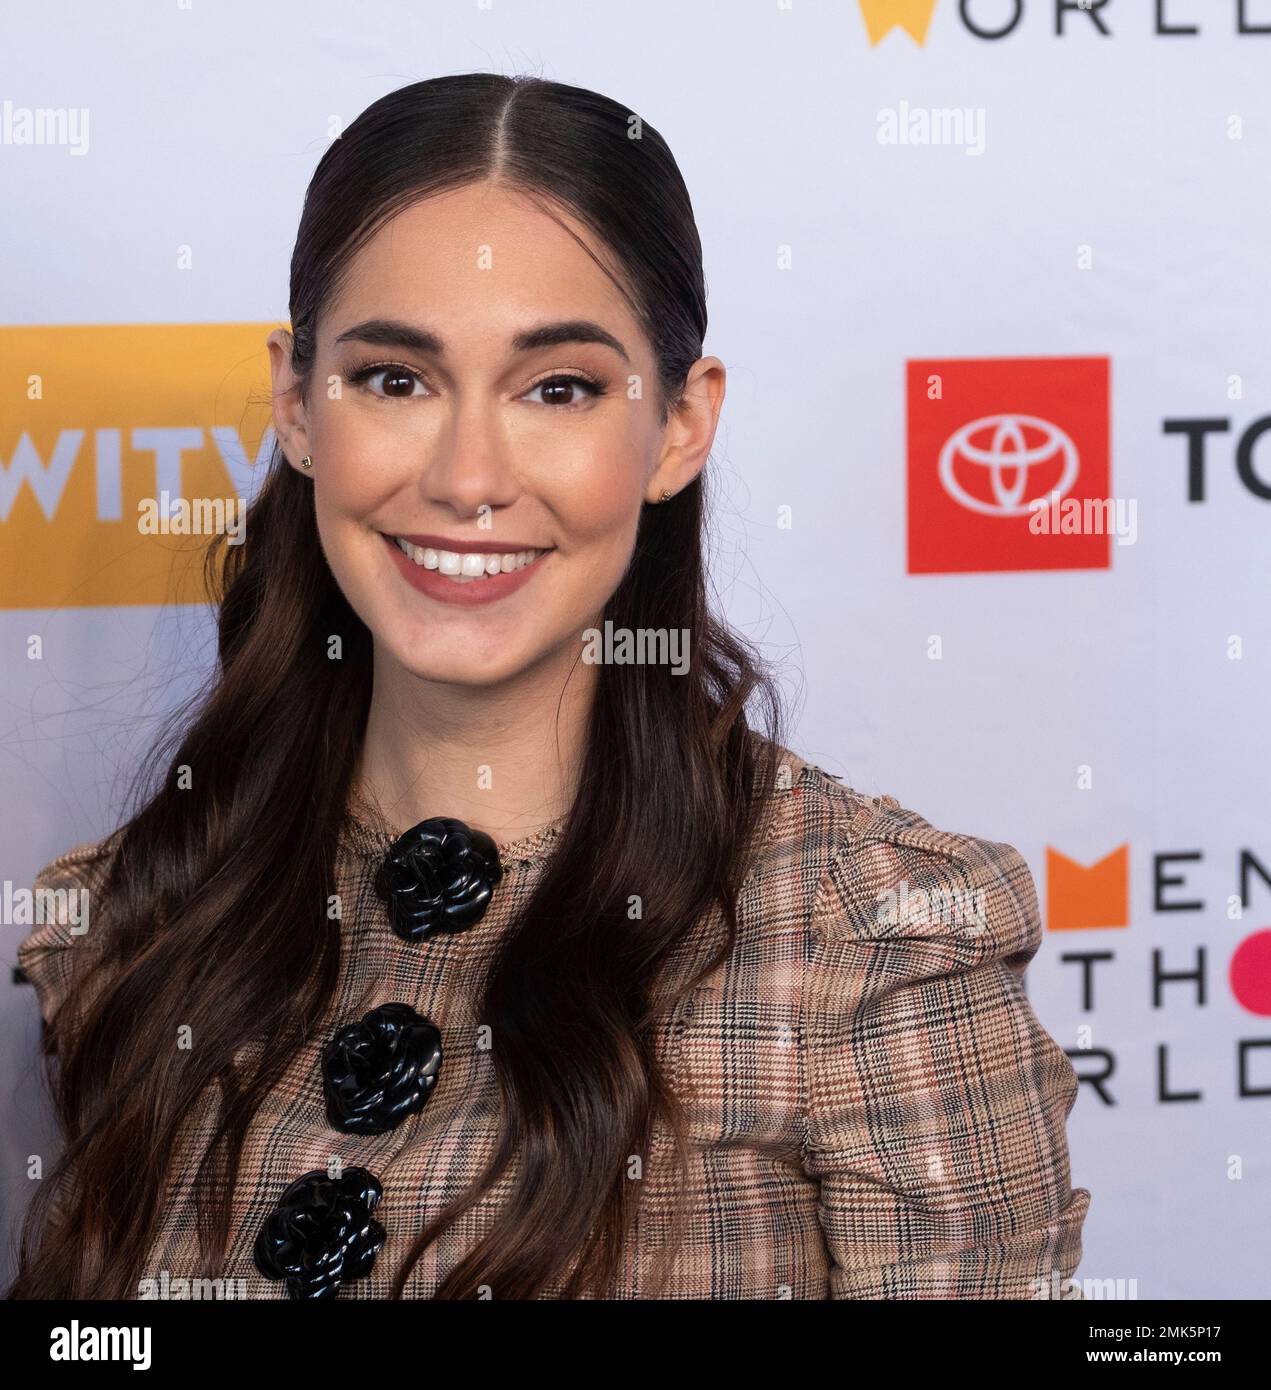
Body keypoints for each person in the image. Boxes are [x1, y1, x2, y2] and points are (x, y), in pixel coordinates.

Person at [9, 72, 1089, 1300]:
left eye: (558, 388)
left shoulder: (870, 950)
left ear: (680, 426)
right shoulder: (139, 923)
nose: (469, 476)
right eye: (394, 379)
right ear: (296, 405)